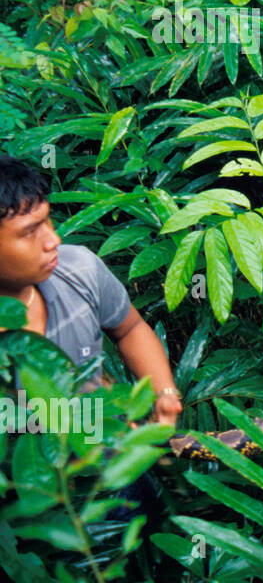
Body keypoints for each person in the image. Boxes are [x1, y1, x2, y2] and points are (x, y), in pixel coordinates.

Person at [0, 155, 182, 519]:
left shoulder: (78, 269)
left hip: (114, 471)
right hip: (24, 505)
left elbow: (129, 328)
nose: (53, 239)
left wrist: (163, 392)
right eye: (29, 231)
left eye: (48, 220)